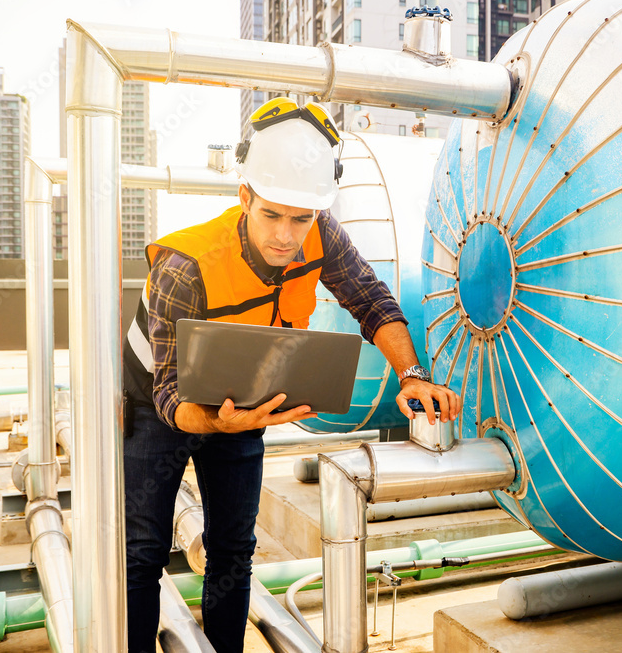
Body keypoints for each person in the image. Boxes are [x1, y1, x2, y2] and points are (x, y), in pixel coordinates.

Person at [121, 97, 460, 652]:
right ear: (244, 197)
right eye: (272, 214)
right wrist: (216, 424)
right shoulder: (186, 266)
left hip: (242, 395)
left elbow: (370, 299)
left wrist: (411, 374)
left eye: (300, 219)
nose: (286, 235)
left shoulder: (321, 233)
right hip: (160, 402)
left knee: (233, 548)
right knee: (144, 551)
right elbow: (167, 395)